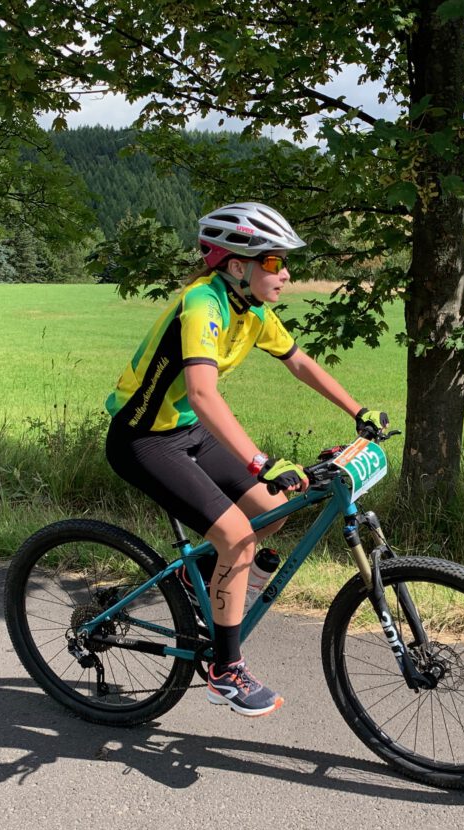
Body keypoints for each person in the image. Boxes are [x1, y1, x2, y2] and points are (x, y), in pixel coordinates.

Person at [104, 202, 390, 717]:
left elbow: (299, 361)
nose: (286, 274)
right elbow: (204, 392)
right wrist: (262, 460)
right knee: (238, 536)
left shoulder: (251, 311)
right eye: (276, 262)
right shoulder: (203, 304)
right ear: (238, 265)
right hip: (143, 439)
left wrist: (358, 410)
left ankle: (210, 580)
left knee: (269, 510)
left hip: (187, 430)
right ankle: (224, 670)